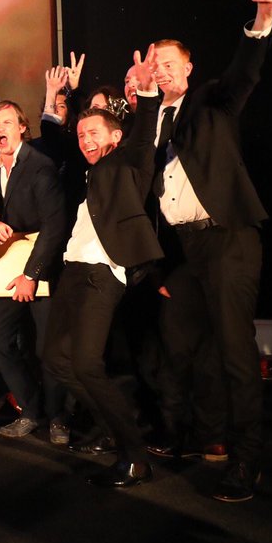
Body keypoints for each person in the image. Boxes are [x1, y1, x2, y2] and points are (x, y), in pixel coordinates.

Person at [150, 0, 272, 502]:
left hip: (228, 239)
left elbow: (244, 73)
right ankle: (199, 435)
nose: (162, 70)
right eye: (156, 64)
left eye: (170, 63)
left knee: (234, 351)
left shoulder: (210, 100)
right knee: (180, 341)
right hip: (187, 251)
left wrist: (263, 22)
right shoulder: (151, 119)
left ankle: (245, 460)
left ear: (188, 68)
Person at [43, 47, 164, 487]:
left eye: (94, 133)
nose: (85, 140)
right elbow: (64, 137)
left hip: (101, 275)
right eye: (81, 135)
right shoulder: (91, 171)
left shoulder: (129, 161)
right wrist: (67, 100)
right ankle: (116, 425)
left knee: (86, 364)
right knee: (56, 360)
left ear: (115, 135)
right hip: (73, 271)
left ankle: (135, 457)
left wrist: (147, 94)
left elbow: (143, 134)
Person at [0, 100, 68, 442]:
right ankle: (31, 409)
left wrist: (32, 275)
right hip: (9, 265)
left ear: (21, 127)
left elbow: (55, 227)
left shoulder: (40, 166)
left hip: (41, 269)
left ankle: (59, 417)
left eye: (6, 122)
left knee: (48, 348)